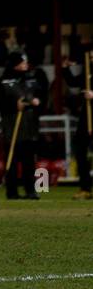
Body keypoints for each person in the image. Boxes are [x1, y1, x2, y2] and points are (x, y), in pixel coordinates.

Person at [0, 52, 46, 200]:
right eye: (22, 62)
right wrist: (13, 105)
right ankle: (12, 192)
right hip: (12, 128)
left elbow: (43, 98)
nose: (25, 65)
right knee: (13, 161)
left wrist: (37, 102)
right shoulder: (2, 81)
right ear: (15, 63)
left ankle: (31, 190)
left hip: (30, 128)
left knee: (29, 161)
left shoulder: (32, 80)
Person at [60, 42, 93, 199]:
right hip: (87, 115)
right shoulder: (88, 70)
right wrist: (65, 68)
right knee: (80, 148)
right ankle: (85, 188)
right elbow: (74, 82)